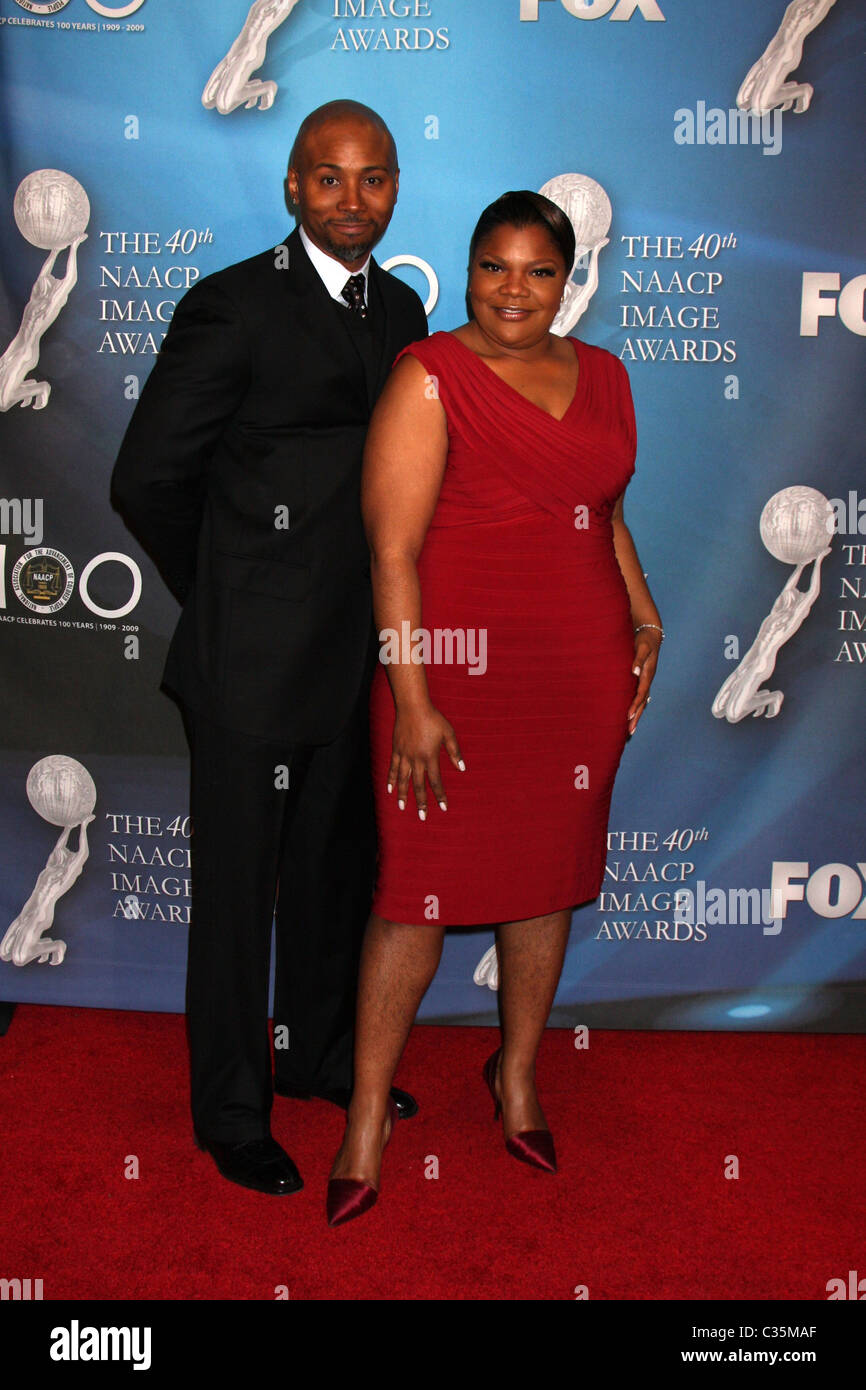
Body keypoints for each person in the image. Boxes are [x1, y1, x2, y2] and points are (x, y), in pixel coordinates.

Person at [326, 191, 662, 1227]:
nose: (512, 290)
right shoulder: (429, 378)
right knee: (412, 902)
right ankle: (366, 1117)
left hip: (573, 669)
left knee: (543, 886)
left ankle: (515, 1077)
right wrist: (412, 698)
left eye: (537, 271)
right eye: (492, 267)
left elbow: (598, 513)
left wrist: (643, 613)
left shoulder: (604, 375)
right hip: (450, 678)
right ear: (466, 271)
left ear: (568, 282)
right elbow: (389, 552)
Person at [111, 100, 427, 1196]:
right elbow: (145, 477)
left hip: (355, 656)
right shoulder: (232, 306)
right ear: (291, 187)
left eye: (372, 179)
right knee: (241, 895)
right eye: (328, 178)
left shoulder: (401, 309)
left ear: (394, 190)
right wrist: (228, 596)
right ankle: (233, 1109)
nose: (351, 200)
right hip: (248, 663)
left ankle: (322, 1059)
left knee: (338, 873)